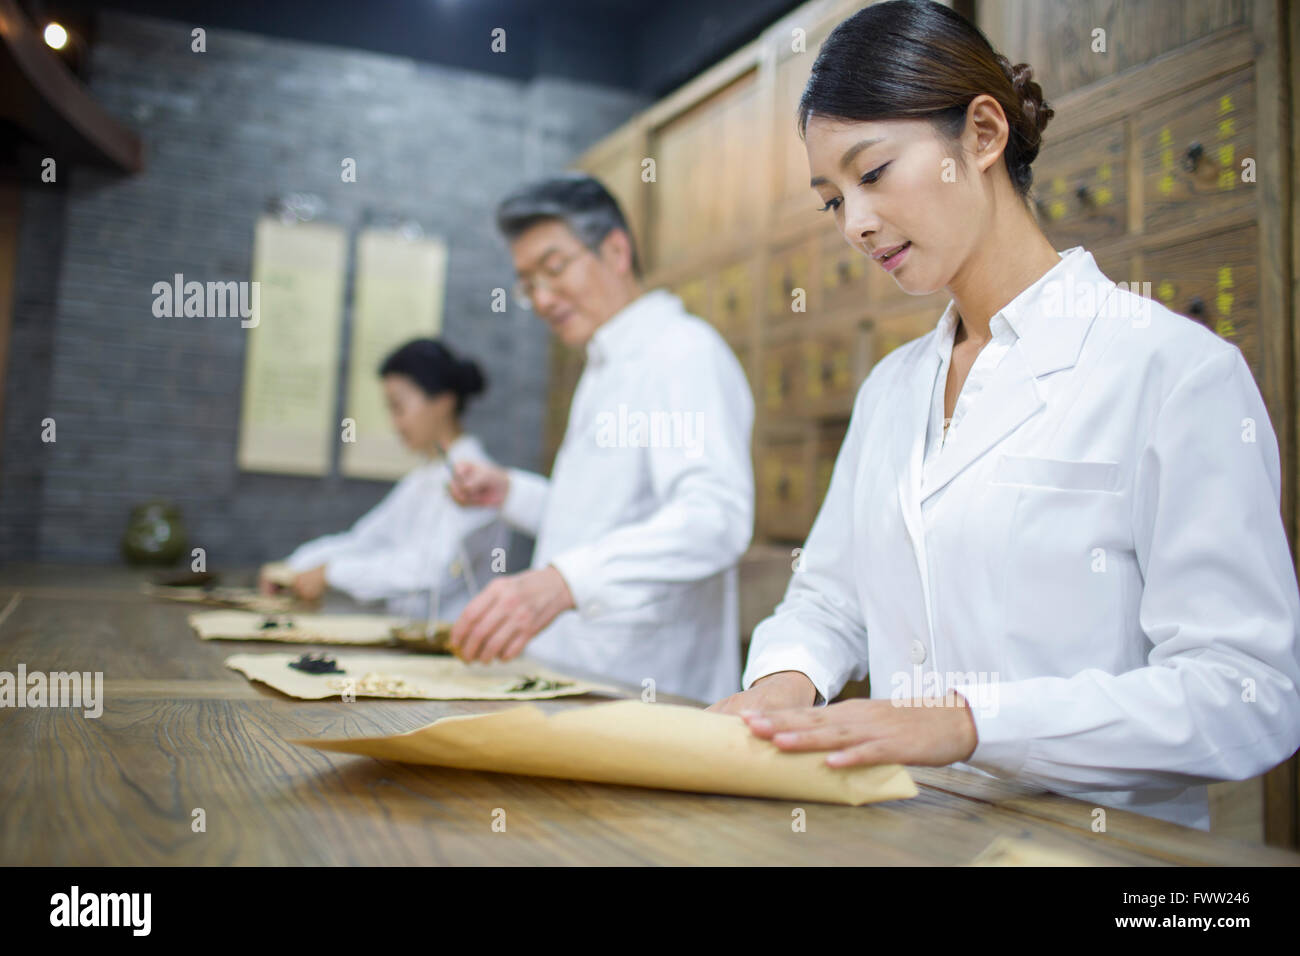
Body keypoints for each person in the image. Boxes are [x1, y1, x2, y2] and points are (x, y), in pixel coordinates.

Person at [710, 0, 1300, 830]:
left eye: (872, 173)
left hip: (1101, 852)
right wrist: (781, 685)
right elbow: (830, 598)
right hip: (904, 833)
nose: (858, 224)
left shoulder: (1171, 371)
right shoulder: (891, 389)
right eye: (832, 200)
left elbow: (1248, 695)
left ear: (982, 136)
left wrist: (972, 724)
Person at [446, 174, 754, 702]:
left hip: (651, 693)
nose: (542, 298)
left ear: (615, 250)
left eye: (554, 268)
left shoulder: (682, 352)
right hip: (580, 675)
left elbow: (714, 519)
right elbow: (600, 523)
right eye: (527, 283)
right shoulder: (603, 366)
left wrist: (563, 582)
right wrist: (510, 494)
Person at [261, 338, 505, 620]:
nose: (394, 423)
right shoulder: (422, 478)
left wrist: (333, 573)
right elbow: (367, 540)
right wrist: (293, 568)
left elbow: (431, 571)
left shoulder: (479, 480)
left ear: (443, 402)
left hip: (452, 646)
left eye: (399, 408)